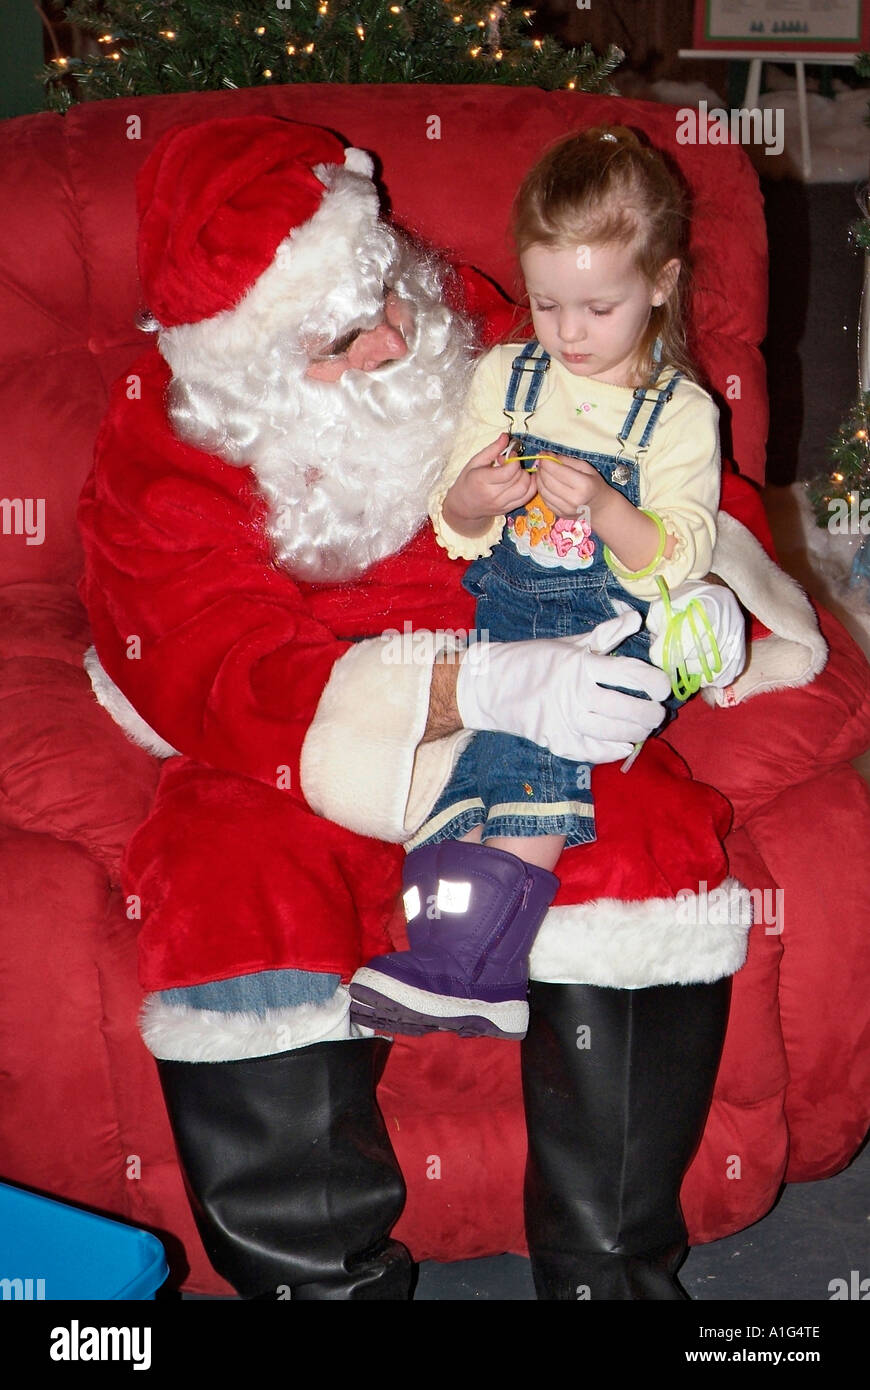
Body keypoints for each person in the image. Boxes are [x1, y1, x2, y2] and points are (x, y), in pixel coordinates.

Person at [78, 115, 756, 1301]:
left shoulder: (484, 322)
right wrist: (457, 684)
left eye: (387, 290)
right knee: (226, 891)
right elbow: (199, 658)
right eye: (343, 336)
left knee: (642, 843)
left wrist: (710, 597)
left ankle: (608, 1279)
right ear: (252, 364)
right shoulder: (172, 430)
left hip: (546, 672)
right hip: (289, 738)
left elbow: (672, 461)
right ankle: (325, 1291)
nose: (397, 339)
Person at [349, 126, 744, 1042]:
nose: (567, 333)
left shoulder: (680, 414)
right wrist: (476, 497)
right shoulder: (507, 374)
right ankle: (460, 962)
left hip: (620, 636)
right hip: (510, 625)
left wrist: (609, 507)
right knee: (475, 768)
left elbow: (680, 552)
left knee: (537, 747)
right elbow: (455, 530)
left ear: (661, 283)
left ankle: (469, 969)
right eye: (546, 303)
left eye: (598, 309)